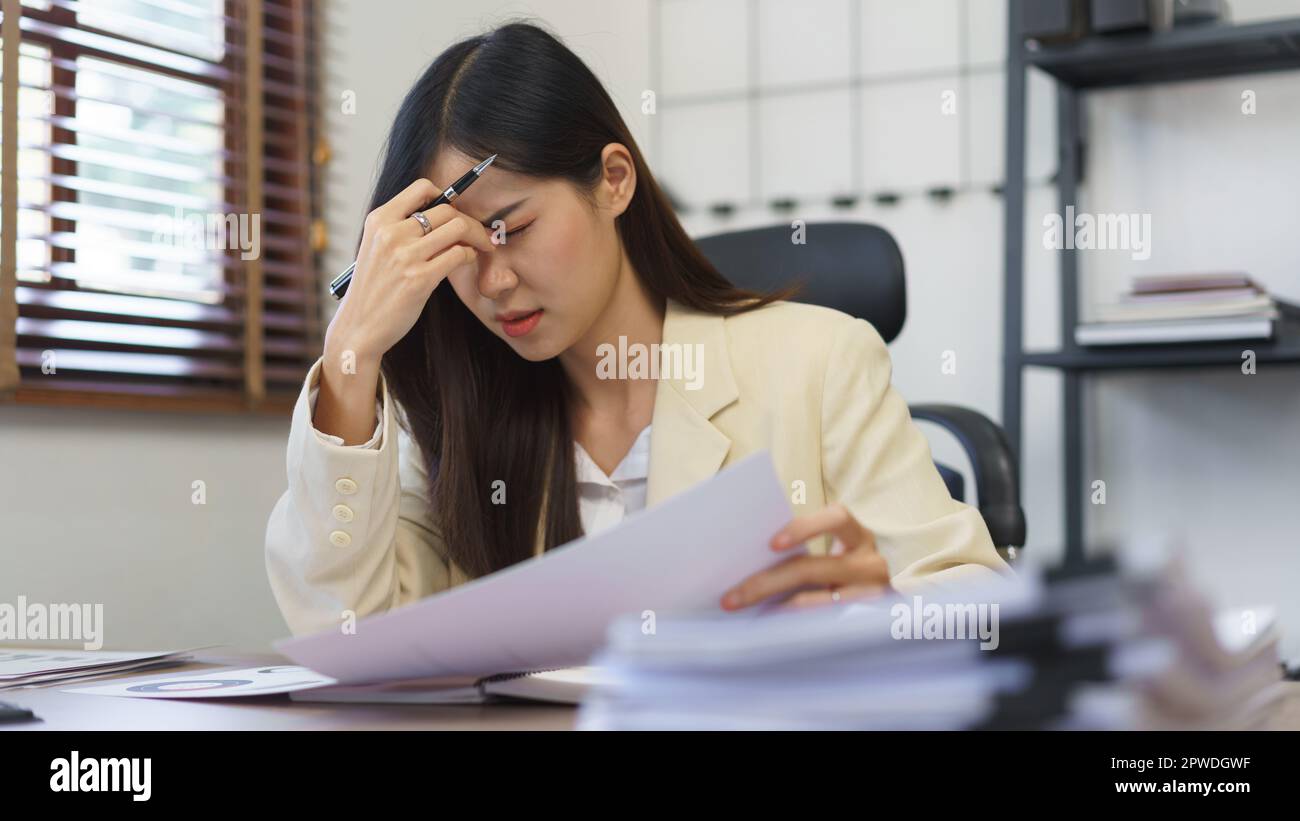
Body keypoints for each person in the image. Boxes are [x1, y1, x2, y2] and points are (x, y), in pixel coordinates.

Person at [265, 20, 1012, 637]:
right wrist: (351, 358)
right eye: (457, 250)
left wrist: (881, 617)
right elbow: (347, 634)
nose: (491, 282)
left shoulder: (821, 362)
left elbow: (984, 611)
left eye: (511, 227)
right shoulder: (452, 421)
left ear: (614, 180)